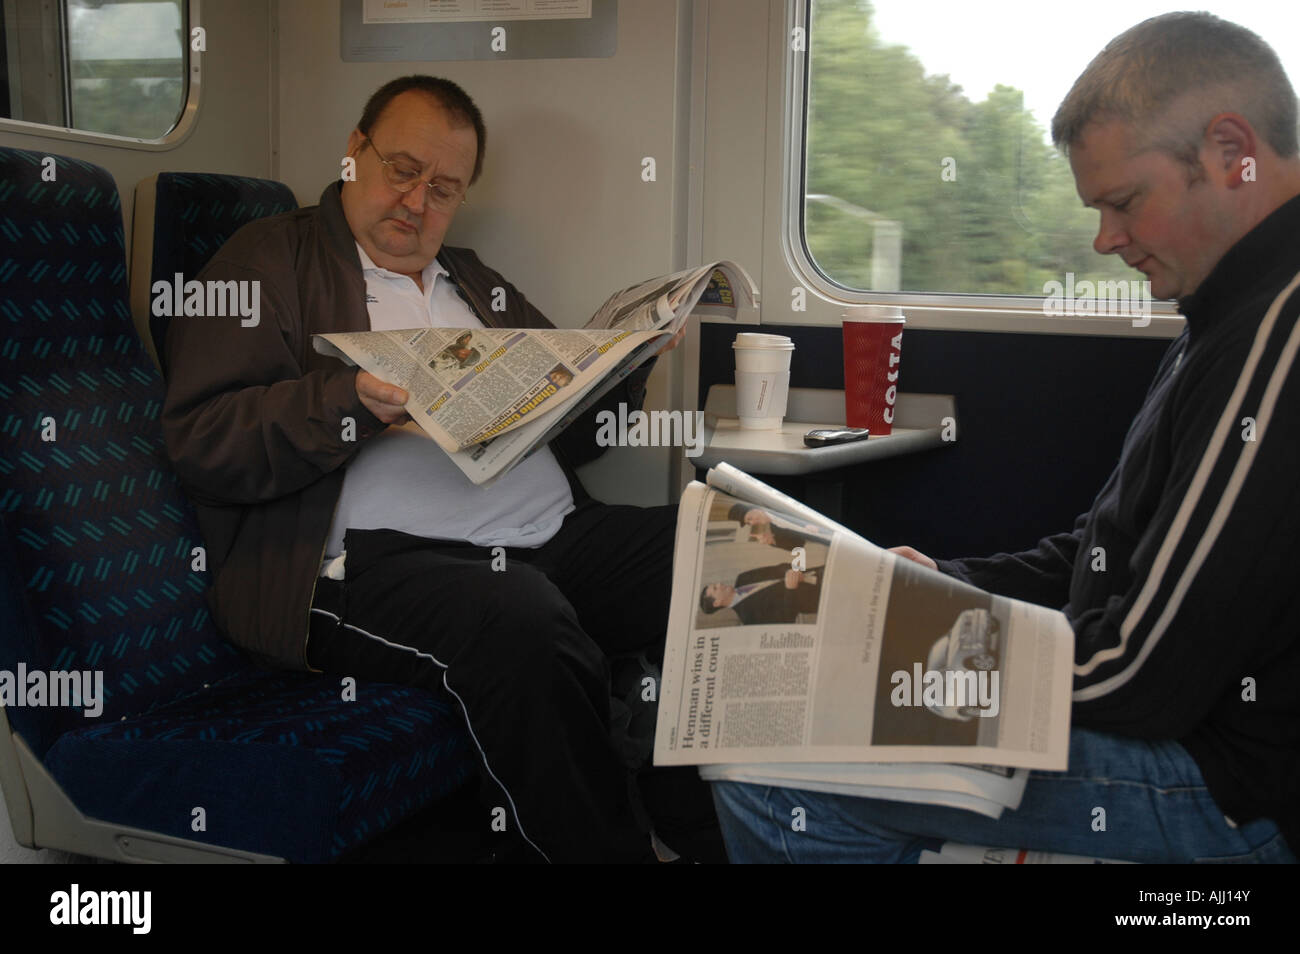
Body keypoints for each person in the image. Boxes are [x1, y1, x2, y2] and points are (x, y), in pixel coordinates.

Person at [710, 12, 1300, 863]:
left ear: (1229, 148)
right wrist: (943, 590)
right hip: (1181, 724)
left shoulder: (1277, 334)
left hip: (1231, 786)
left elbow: (1142, 679)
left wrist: (916, 663)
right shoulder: (1221, 314)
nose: (1105, 240)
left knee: (770, 762)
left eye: (1124, 202)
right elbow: (1100, 558)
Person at [161, 75, 697, 863]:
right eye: (401, 170)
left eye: (443, 187)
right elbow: (201, 442)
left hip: (551, 531)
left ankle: (708, 832)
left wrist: (625, 367)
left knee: (718, 551)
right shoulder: (270, 261)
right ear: (353, 152)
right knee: (523, 623)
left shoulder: (474, 281)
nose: (416, 201)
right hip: (367, 563)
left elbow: (575, 439)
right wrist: (348, 401)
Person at [700, 565, 823, 626]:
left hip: (817, 572)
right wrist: (790, 589)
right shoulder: (748, 618)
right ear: (717, 603)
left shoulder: (742, 578)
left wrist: (790, 571)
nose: (720, 584)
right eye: (715, 588)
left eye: (716, 584)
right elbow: (785, 618)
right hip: (816, 599)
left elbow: (776, 568)